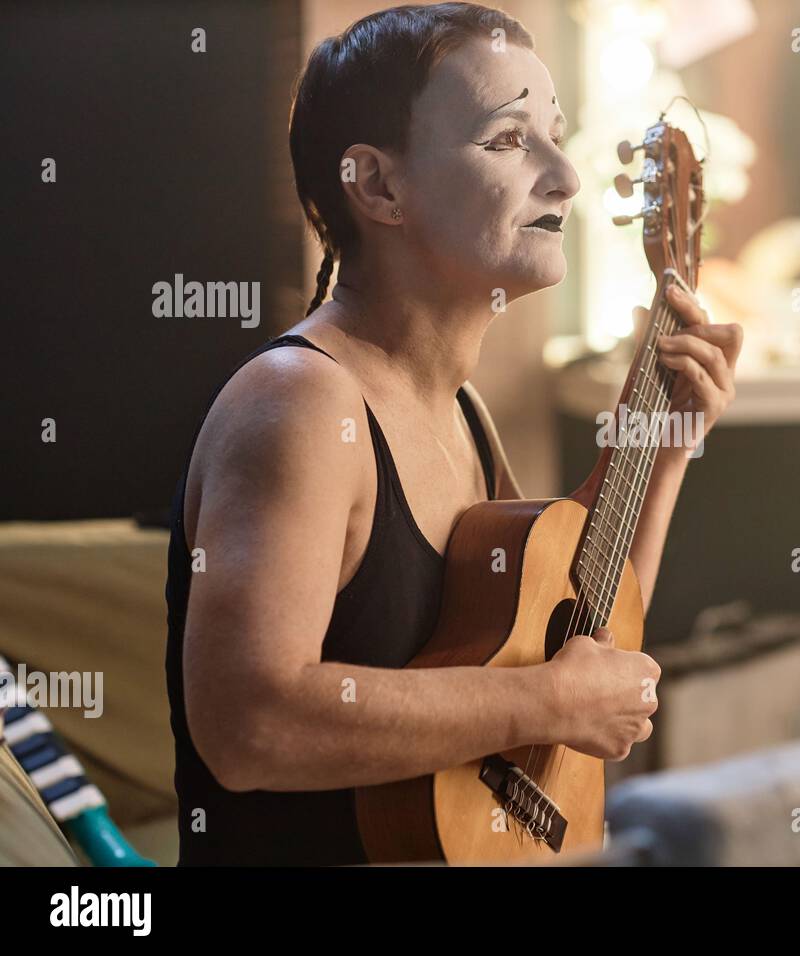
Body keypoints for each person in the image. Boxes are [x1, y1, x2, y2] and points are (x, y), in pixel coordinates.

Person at [163, 2, 743, 865]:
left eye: (557, 133)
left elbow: (580, 637)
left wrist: (663, 451)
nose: (566, 176)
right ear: (380, 187)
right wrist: (545, 705)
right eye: (508, 141)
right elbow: (248, 726)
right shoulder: (300, 405)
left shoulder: (459, 410)